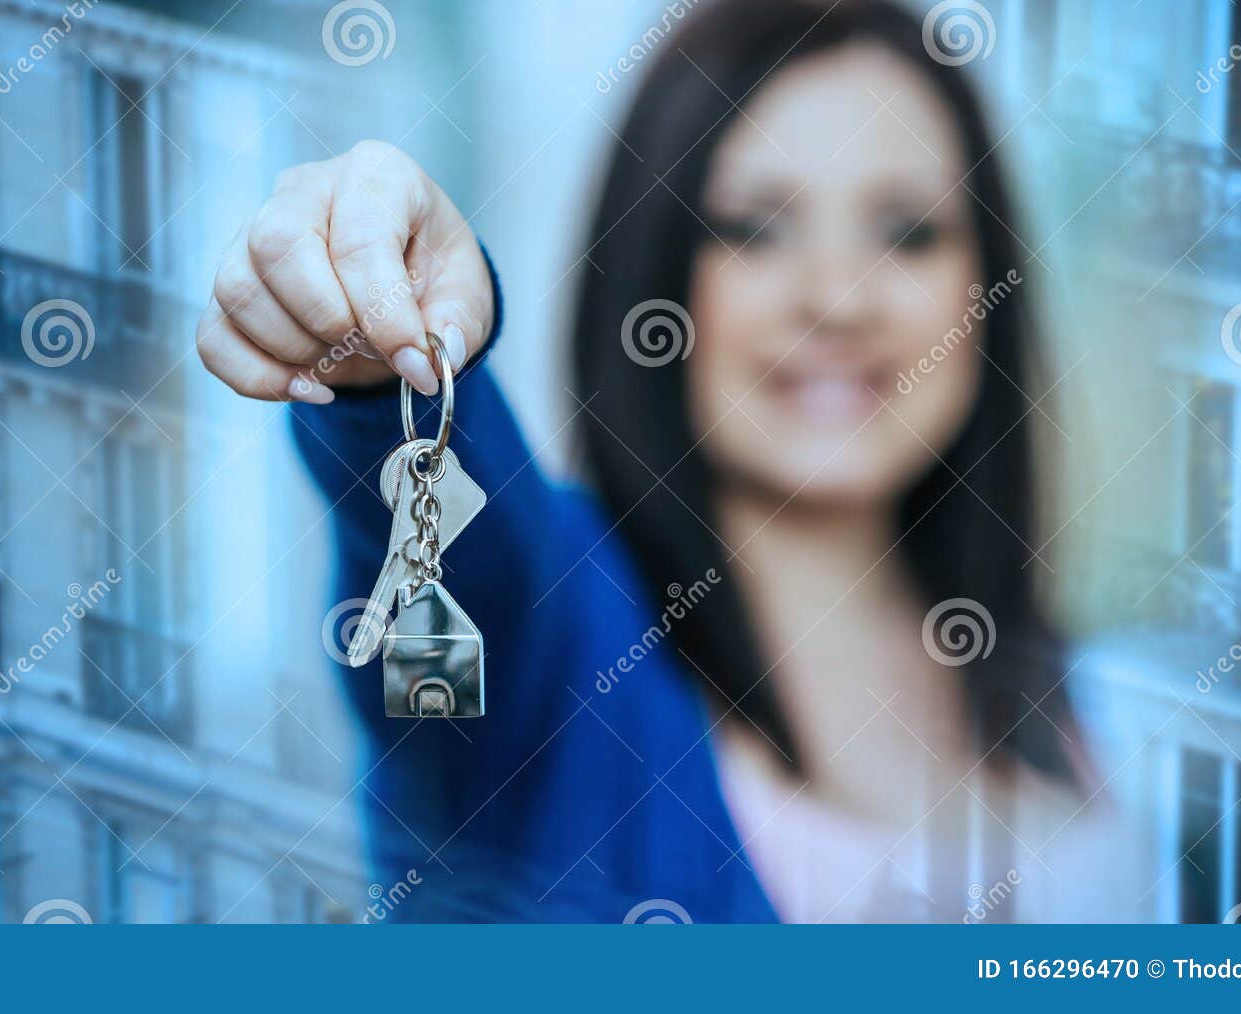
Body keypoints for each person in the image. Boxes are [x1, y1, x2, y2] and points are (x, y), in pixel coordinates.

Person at [196, 0, 1117, 922]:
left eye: (908, 231)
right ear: (656, 272)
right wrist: (386, 359)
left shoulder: (1066, 676)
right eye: (755, 229)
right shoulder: (557, 641)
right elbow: (438, 551)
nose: (840, 299)